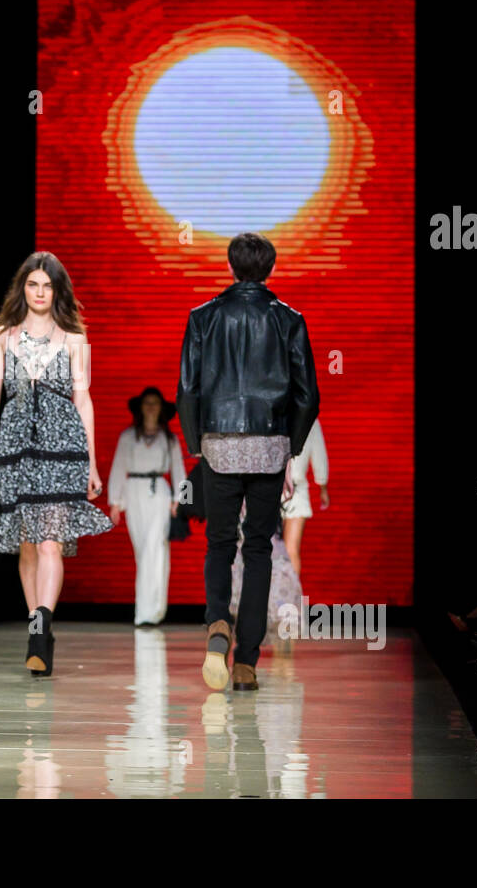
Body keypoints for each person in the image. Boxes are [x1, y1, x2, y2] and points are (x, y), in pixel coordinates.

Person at [177, 233, 319, 692]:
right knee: (258, 550)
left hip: (219, 444)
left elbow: (188, 389)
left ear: (232, 266)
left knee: (219, 545)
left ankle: (218, 624)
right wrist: (291, 446)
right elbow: (308, 396)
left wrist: (197, 444)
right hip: (269, 445)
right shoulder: (289, 320)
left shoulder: (204, 317)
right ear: (270, 269)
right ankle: (247, 662)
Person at [0, 251, 114, 675]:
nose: (39, 292)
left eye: (47, 286)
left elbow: (83, 400)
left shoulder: (74, 339)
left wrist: (89, 461)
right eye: (33, 284)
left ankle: (39, 628)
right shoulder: (3, 336)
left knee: (50, 539)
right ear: (23, 288)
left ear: (57, 291)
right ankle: (38, 626)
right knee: (28, 544)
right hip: (15, 444)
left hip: (62, 444)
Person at [107, 386, 187, 625]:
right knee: (143, 550)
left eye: (155, 402)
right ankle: (147, 610)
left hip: (160, 493)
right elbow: (118, 468)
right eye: (147, 402)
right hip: (134, 493)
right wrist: (115, 502)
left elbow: (179, 469)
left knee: (156, 548)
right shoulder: (128, 437)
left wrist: (179, 501)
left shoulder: (168, 438)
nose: (151, 407)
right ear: (140, 407)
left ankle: (150, 612)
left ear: (161, 408)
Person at [280, 416, 329, 579]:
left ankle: (270, 598)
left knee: (266, 549)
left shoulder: (270, 410)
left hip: (268, 488)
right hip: (296, 489)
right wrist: (322, 487)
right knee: (291, 549)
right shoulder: (310, 420)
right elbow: (319, 454)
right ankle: (289, 599)